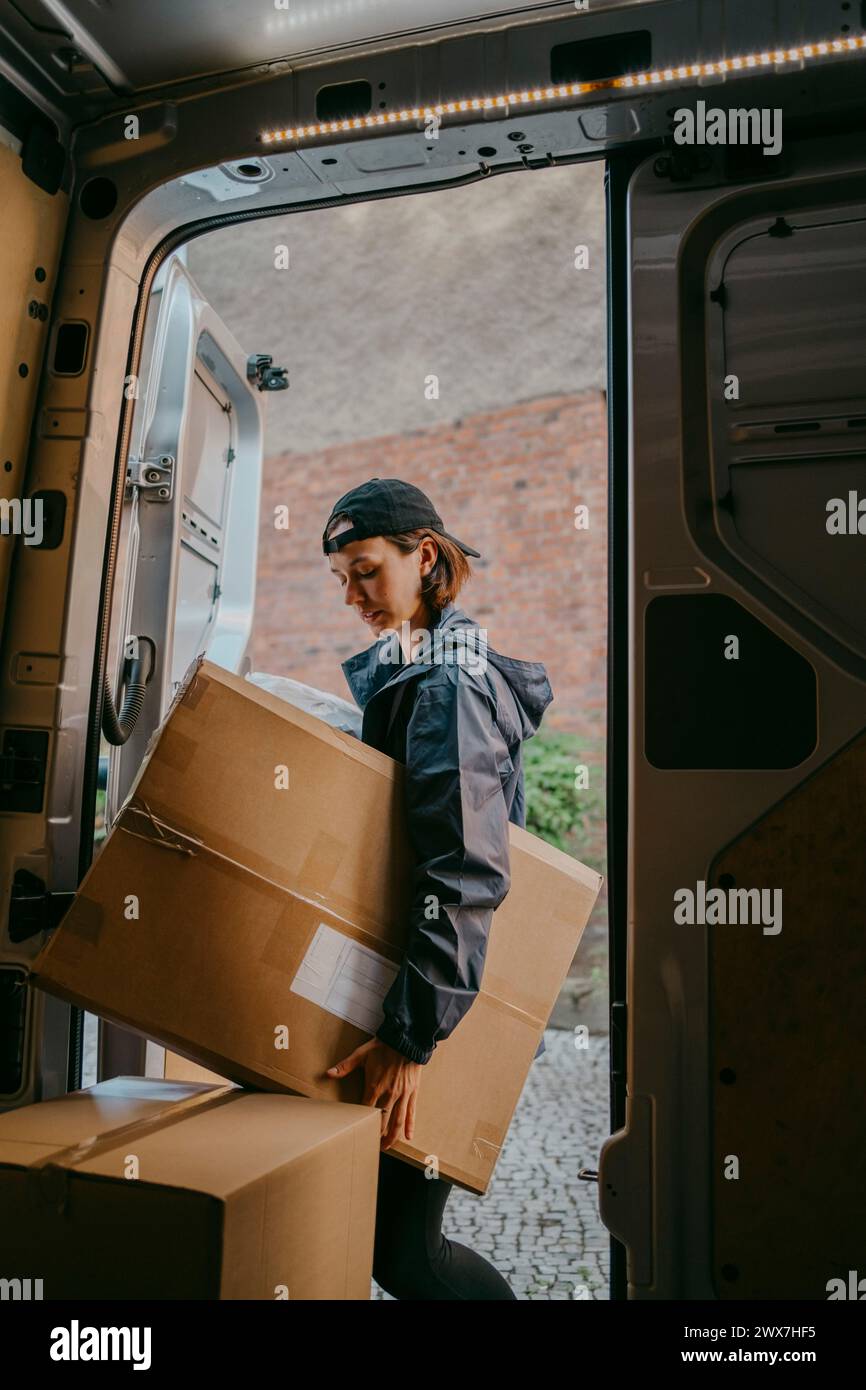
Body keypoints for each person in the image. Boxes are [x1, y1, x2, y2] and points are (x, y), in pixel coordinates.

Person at [321, 477, 553, 1300]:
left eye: (365, 571)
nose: (352, 596)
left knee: (410, 1254)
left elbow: (462, 872)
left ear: (423, 556)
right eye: (342, 580)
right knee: (392, 1243)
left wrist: (411, 1039)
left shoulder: (449, 686)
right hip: (428, 990)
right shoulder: (422, 666)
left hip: (434, 1001)